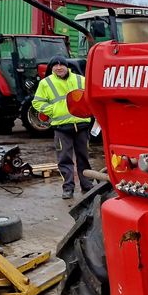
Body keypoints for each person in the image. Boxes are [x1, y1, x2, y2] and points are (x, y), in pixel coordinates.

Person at [32, 56, 93, 199]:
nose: (59, 68)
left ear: (67, 66)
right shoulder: (45, 83)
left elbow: (91, 97)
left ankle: (87, 184)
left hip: (81, 125)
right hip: (61, 127)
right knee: (64, 159)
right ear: (52, 68)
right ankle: (68, 188)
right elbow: (37, 103)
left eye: (61, 65)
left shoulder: (80, 79)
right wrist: (53, 110)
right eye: (55, 65)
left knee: (83, 157)